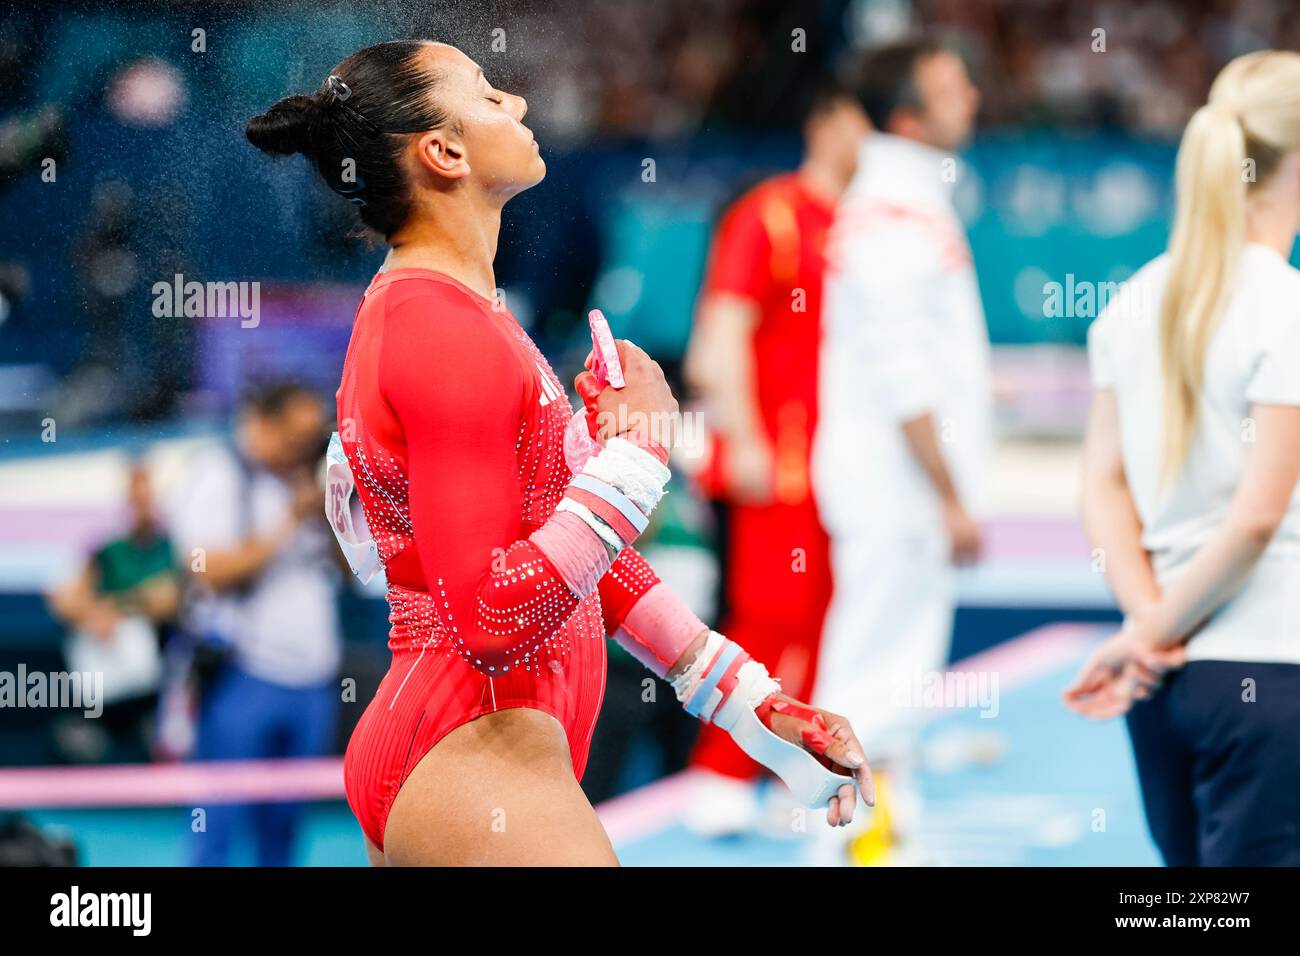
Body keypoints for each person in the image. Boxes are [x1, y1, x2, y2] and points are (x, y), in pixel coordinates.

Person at [245, 39, 873, 866]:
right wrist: (636, 461)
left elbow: (583, 569)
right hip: (470, 744)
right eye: (489, 93)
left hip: (482, 745)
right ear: (444, 152)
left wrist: (746, 698)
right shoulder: (436, 327)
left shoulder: (470, 317)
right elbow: (490, 616)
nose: (520, 104)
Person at [1064, 50, 1300, 867]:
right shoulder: (1285, 309)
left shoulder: (1131, 303)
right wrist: (1152, 630)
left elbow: (1101, 483)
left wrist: (1145, 626)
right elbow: (1260, 514)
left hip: (1165, 686)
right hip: (1271, 671)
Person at [811, 40, 988, 862]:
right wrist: (950, 493)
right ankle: (840, 845)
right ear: (909, 115)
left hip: (907, 485)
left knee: (897, 669)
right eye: (954, 88)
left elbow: (928, 357)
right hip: (896, 488)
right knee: (870, 671)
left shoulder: (915, 202)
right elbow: (903, 377)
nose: (975, 98)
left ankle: (878, 838)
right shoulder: (886, 213)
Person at [682, 78, 868, 835]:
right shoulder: (772, 215)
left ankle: (806, 775)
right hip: (779, 460)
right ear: (824, 123)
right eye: (864, 120)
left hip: (844, 466)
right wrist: (748, 437)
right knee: (770, 614)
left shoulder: (863, 226)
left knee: (827, 619)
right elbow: (717, 338)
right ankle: (719, 777)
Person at [171, 381, 342, 867]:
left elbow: (352, 572)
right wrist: (288, 521)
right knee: (216, 826)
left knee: (285, 833)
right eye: (295, 436)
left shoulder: (309, 480)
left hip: (313, 681)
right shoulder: (219, 475)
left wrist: (327, 514)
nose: (302, 448)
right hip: (242, 674)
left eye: (311, 439)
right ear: (262, 424)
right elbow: (205, 568)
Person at [47, 460, 177, 763]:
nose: (142, 505)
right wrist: (92, 613)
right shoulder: (107, 548)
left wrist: (116, 608)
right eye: (135, 497)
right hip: (108, 674)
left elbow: (166, 599)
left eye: (148, 496)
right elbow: (62, 597)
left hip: (160, 680)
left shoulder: (175, 547)